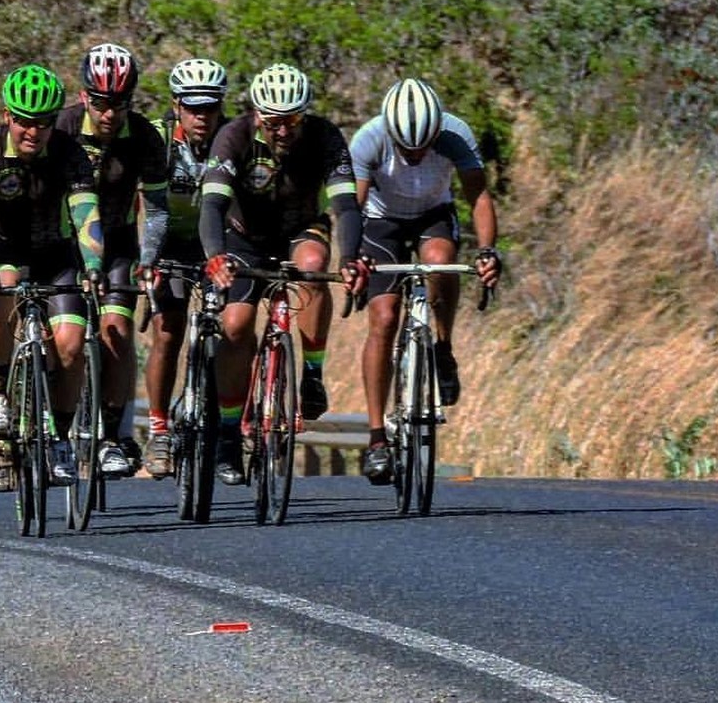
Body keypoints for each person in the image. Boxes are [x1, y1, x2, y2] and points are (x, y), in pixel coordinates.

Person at [199, 62, 363, 487]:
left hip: (299, 230)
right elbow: (212, 207)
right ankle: (230, 435)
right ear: (257, 115)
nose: (284, 132)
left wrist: (351, 258)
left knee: (311, 268)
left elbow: (346, 206)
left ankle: (311, 371)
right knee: (234, 325)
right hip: (243, 238)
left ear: (304, 115)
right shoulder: (233, 136)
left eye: (292, 121)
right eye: (274, 123)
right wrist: (216, 255)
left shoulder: (325, 137)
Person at [0, 64, 105, 490]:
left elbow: (86, 216)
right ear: (7, 116)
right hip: (0, 244)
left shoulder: (69, 153)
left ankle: (58, 437)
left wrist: (94, 267)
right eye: (23, 121)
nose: (32, 132)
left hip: (54, 252)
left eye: (43, 123)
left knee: (72, 346)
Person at [349, 78, 501, 485]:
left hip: (434, 213)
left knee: (439, 261)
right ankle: (378, 437)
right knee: (383, 318)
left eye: (423, 146)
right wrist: (351, 258)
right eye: (406, 147)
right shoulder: (369, 140)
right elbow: (352, 208)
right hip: (382, 221)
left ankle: (443, 346)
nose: (415, 154)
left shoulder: (456, 136)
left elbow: (480, 197)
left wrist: (488, 252)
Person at [58, 42, 169, 479]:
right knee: (62, 338)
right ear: (85, 96)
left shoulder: (144, 137)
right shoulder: (62, 127)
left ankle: (111, 436)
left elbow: (158, 210)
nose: (109, 113)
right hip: (64, 241)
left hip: (119, 241)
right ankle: (51, 423)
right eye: (101, 103)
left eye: (120, 104)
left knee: (117, 330)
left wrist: (150, 257)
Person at [142, 57, 230, 479]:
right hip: (168, 245)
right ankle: (158, 427)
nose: (202, 116)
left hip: (220, 244)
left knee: (233, 329)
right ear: (176, 105)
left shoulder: (233, 140)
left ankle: (231, 427)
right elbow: (132, 200)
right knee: (169, 329)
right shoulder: (156, 139)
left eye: (210, 107)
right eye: (193, 107)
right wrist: (145, 261)